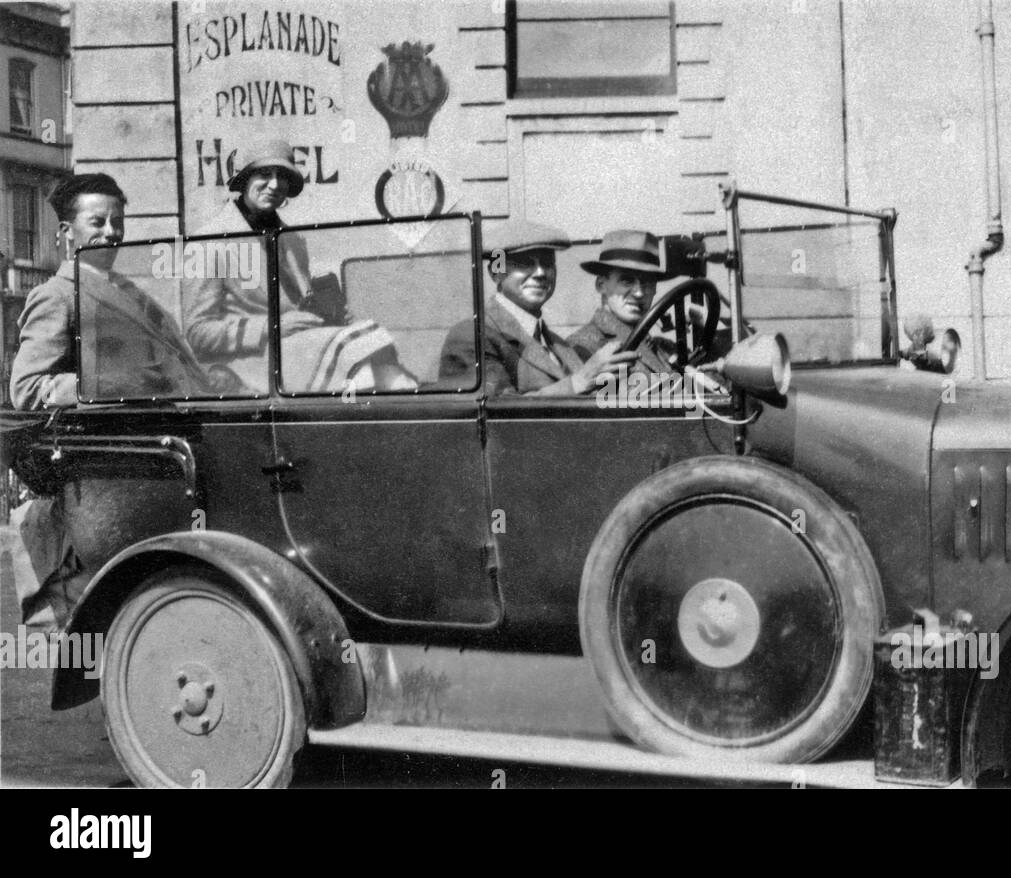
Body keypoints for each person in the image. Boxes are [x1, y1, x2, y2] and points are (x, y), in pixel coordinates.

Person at [7, 173, 216, 629]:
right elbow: (26, 388)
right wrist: (105, 384)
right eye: (97, 221)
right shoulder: (57, 295)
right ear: (68, 233)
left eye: (117, 221)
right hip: (118, 473)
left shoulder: (138, 297)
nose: (110, 232)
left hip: (174, 453)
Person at [185, 139, 415, 393]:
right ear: (245, 180)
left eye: (282, 176)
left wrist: (329, 314)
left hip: (301, 350)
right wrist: (270, 327)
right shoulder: (207, 241)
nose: (274, 185)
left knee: (384, 371)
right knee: (364, 367)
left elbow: (298, 306)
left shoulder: (293, 241)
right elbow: (197, 332)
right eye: (263, 174)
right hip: (250, 362)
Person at [438, 219, 636, 395]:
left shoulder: (558, 344)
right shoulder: (473, 337)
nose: (541, 273)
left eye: (548, 263)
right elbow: (496, 419)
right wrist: (578, 382)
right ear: (496, 272)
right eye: (525, 263)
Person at [566, 229, 678, 376]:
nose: (639, 293)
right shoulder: (582, 346)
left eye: (646, 282)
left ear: (655, 288)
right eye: (627, 281)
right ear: (601, 285)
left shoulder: (664, 347)